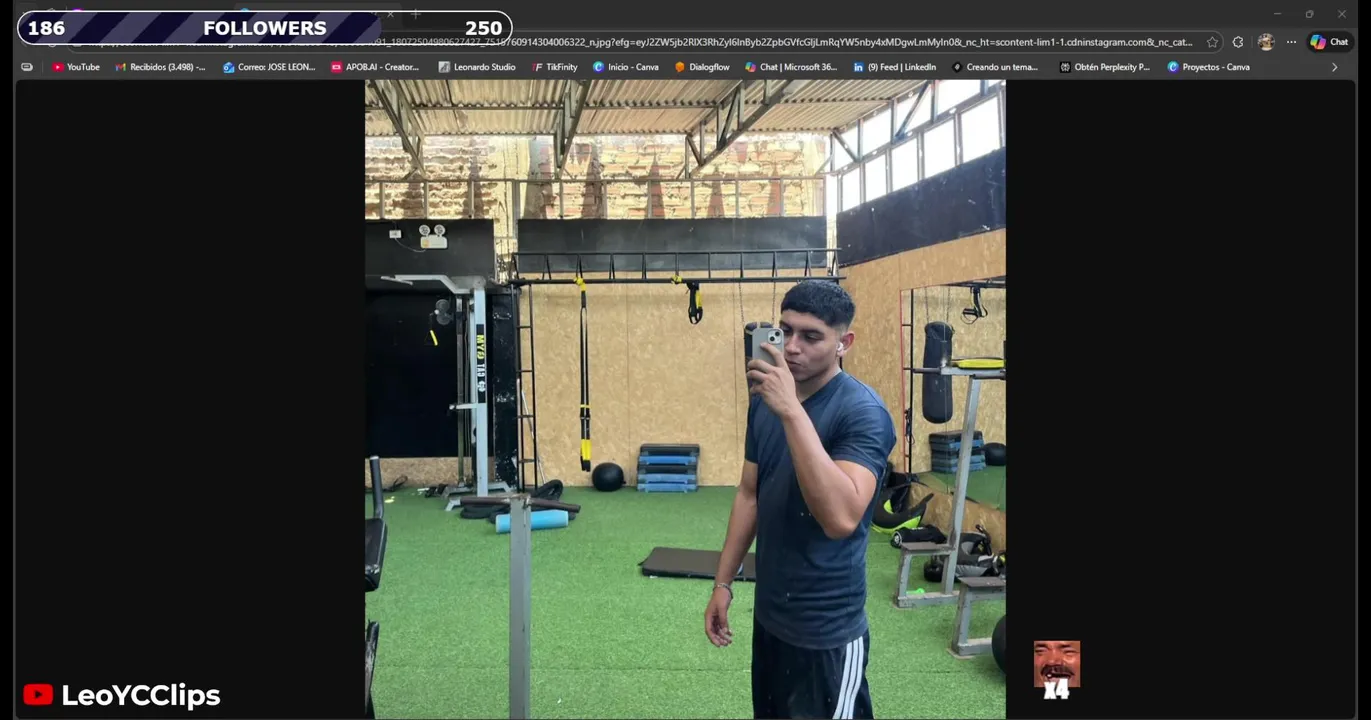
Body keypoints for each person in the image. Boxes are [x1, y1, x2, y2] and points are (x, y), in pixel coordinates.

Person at [705, 280, 897, 720]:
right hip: (771, 615)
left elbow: (841, 519)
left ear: (844, 343)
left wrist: (792, 410)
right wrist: (723, 583)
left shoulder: (862, 412)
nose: (792, 347)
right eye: (786, 330)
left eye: (811, 337)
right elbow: (749, 493)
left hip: (826, 630)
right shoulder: (765, 400)